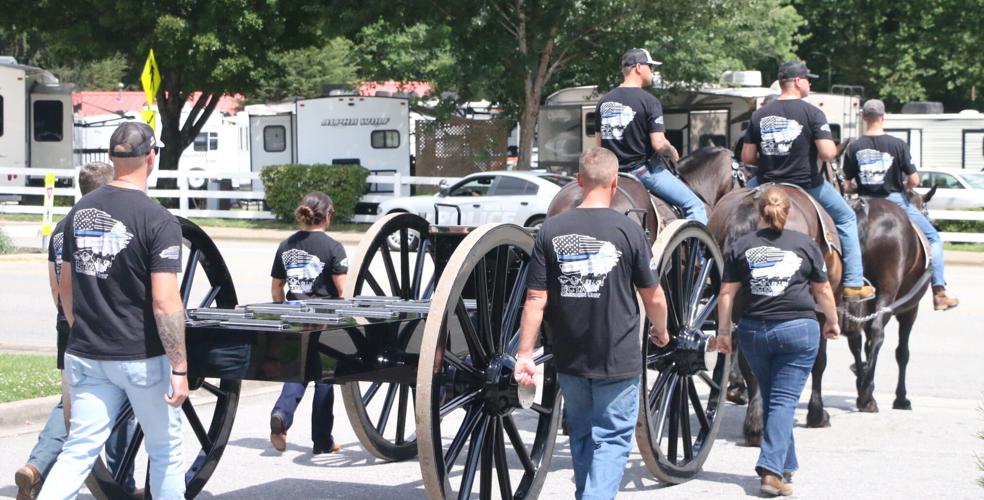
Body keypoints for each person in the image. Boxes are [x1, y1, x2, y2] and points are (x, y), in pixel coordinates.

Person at [38, 122, 188, 500]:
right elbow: (165, 301)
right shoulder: (158, 220)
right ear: (151, 157)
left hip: (86, 354)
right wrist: (181, 367)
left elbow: (66, 288)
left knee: (78, 452)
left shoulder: (78, 212)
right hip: (141, 356)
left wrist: (82, 329)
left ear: (112, 157)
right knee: (166, 451)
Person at [514, 147, 669, 499]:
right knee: (612, 438)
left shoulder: (550, 229)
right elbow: (653, 296)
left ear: (579, 181)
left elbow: (536, 300)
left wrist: (524, 354)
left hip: (569, 356)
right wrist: (660, 329)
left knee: (583, 433)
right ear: (615, 182)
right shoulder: (629, 230)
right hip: (618, 355)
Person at [15, 162, 139, 500]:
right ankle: (121, 485)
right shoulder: (108, 224)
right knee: (123, 403)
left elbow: (56, 284)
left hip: (67, 323)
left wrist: (66, 317)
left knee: (69, 405)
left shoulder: (61, 228)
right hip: (101, 326)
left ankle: (36, 466)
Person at [716, 187, 841, 497]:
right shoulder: (807, 244)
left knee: (774, 398)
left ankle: (787, 462)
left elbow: (727, 294)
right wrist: (833, 321)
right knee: (783, 401)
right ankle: (771, 471)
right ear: (789, 212)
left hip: (755, 333)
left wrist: (723, 332)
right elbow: (824, 291)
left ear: (760, 213)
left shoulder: (740, 246)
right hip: (798, 331)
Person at [741, 60, 874, 301]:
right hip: (806, 185)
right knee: (846, 217)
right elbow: (827, 153)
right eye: (808, 80)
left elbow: (748, 157)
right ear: (797, 81)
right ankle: (854, 282)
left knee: (730, 206)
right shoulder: (813, 113)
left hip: (765, 184)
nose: (810, 84)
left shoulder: (759, 114)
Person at [842, 98, 958, 310]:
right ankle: (939, 291)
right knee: (933, 238)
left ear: (864, 117)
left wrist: (859, 186)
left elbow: (847, 185)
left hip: (863, 201)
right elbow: (914, 181)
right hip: (894, 199)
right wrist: (903, 183)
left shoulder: (854, 147)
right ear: (883, 116)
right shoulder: (898, 145)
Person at [268, 191, 348, 455]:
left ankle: (281, 415)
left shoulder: (286, 245)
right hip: (324, 318)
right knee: (324, 379)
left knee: (296, 371)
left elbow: (277, 287)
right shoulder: (333, 247)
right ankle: (322, 440)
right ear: (327, 215)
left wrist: (283, 311)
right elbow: (341, 289)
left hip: (294, 316)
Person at [595, 48, 708, 224]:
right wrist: (671, 150)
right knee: (694, 205)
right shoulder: (649, 101)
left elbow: (600, 146)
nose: (653, 72)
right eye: (651, 67)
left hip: (612, 174)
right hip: (642, 173)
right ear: (639, 67)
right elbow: (658, 144)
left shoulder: (604, 101)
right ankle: (698, 252)